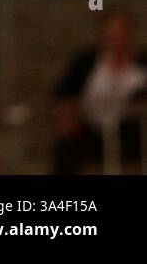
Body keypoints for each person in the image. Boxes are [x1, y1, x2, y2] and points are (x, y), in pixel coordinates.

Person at [52, 11, 147, 174]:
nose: (117, 42)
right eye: (111, 35)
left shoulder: (143, 63)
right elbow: (64, 96)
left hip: (136, 133)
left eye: (122, 35)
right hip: (93, 132)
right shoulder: (85, 62)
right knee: (66, 144)